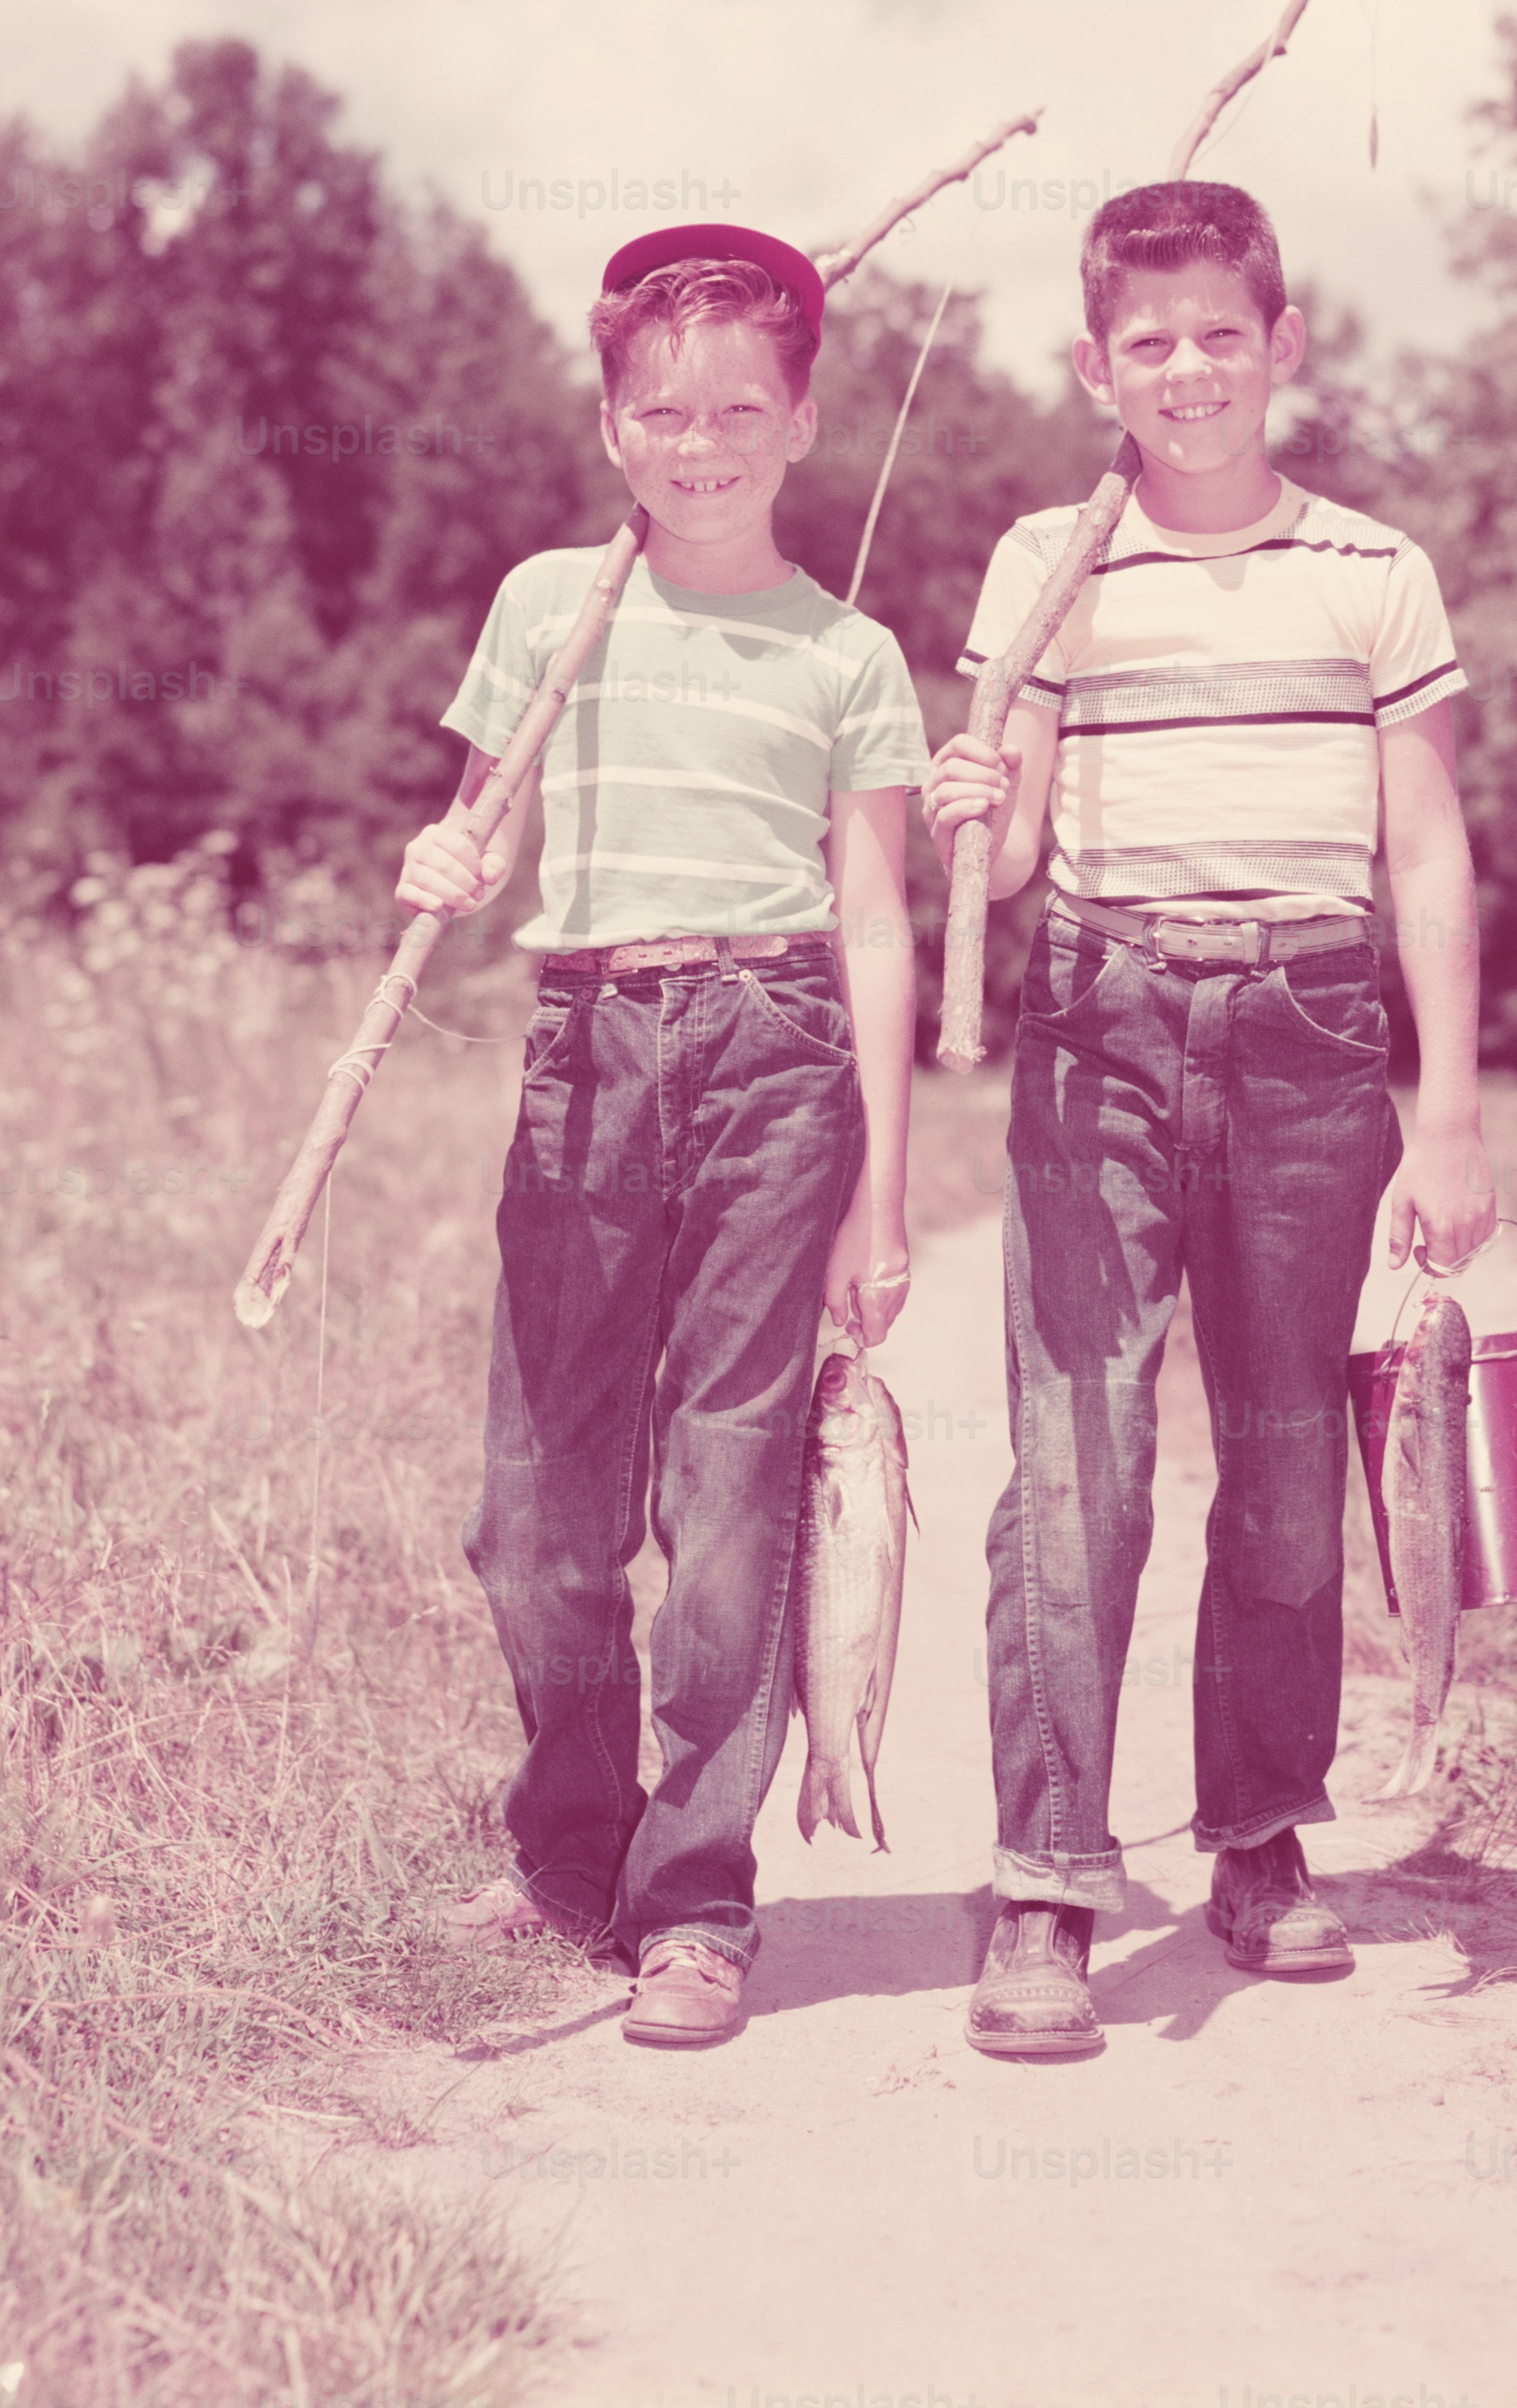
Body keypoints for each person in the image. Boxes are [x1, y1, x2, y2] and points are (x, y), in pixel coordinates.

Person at [923, 178, 1495, 2058]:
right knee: (1078, 1466)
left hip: (1313, 1033)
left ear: (1284, 344)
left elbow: (1423, 848)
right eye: (1144, 341)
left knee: (1277, 1468)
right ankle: (1046, 1876)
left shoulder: (1369, 569)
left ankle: (1256, 1835)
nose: (1185, 368)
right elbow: (1005, 865)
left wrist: (1450, 1114)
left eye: (1218, 334)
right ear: (1094, 363)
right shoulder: (1045, 563)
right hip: (1097, 1019)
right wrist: (971, 804)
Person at [398, 224, 924, 2048]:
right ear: (612, 424)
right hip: (588, 1043)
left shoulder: (849, 650)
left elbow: (872, 919)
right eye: (663, 410)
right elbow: (482, 824)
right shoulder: (555, 605)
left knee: (726, 1507)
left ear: (797, 424)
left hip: (777, 1057)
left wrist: (886, 1186)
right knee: (534, 1525)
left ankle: (696, 1896)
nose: (700, 441)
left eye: (739, 409)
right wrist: (441, 865)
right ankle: (574, 1845)